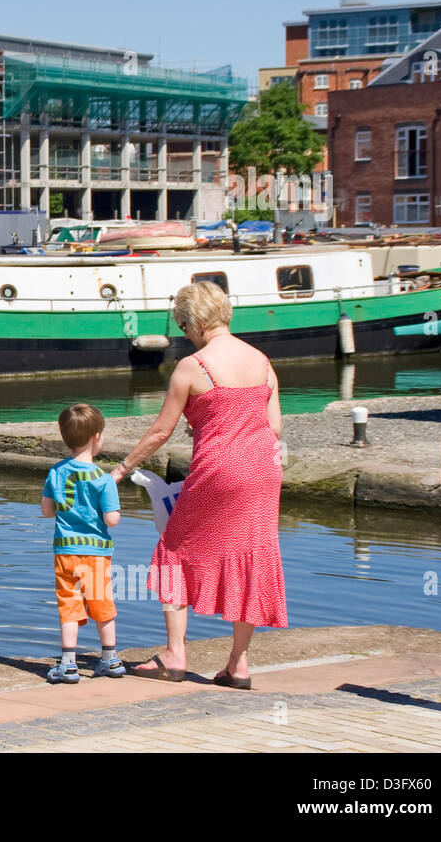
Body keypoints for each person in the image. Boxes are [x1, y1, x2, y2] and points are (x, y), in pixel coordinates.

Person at [112, 281, 285, 689]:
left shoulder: (193, 366)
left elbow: (160, 432)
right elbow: (273, 426)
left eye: (182, 325)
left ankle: (174, 655)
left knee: (174, 549)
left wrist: (121, 469)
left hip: (219, 470)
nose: (182, 333)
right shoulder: (261, 360)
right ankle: (238, 666)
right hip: (263, 470)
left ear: (193, 321)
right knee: (253, 555)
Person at [42, 403, 125, 683]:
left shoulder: (56, 472)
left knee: (69, 605)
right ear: (96, 437)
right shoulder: (103, 479)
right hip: (96, 554)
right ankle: (110, 659)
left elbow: (46, 510)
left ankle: (68, 664)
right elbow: (112, 520)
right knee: (102, 604)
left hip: (65, 551)